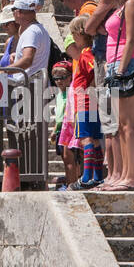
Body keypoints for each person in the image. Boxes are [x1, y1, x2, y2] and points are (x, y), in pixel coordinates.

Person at [90, 0, 134, 190]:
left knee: (129, 124)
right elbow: (94, 28)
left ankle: (132, 176)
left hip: (125, 65)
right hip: (114, 65)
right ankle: (124, 174)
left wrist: (121, 70)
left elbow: (132, 38)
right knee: (120, 125)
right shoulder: (119, 7)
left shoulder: (131, 4)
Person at [67, 19, 102, 189]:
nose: (74, 40)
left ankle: (87, 177)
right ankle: (98, 175)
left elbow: (93, 69)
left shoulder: (86, 53)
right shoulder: (92, 51)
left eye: (74, 35)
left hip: (85, 100)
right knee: (94, 139)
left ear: (80, 34)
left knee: (85, 138)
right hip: (92, 100)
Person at [1, 0, 50, 81]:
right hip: (34, 84)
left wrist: (4, 71)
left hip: (28, 87)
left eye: (13, 10)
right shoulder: (39, 29)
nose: (13, 13)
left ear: (18, 12)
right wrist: (18, 56)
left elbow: (27, 60)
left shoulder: (31, 32)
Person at [50, 59, 81, 187]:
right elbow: (58, 116)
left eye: (63, 77)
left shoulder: (70, 92)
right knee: (65, 159)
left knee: (71, 159)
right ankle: (69, 182)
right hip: (59, 131)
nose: (59, 81)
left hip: (69, 130)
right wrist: (54, 130)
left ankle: (72, 183)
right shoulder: (59, 95)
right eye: (56, 78)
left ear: (70, 77)